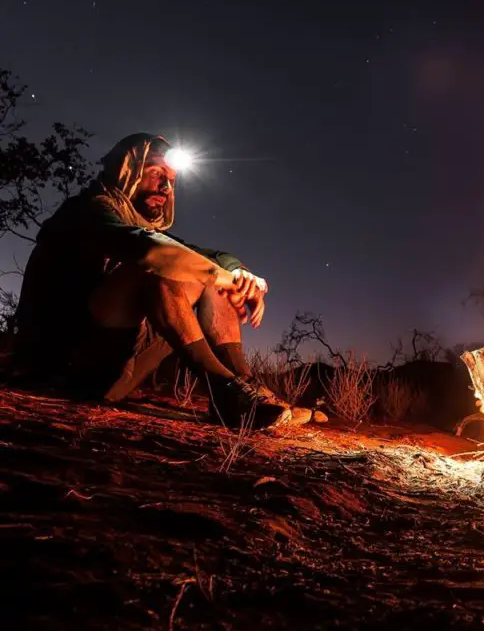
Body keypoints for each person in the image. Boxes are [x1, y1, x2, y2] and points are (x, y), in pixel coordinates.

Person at [12, 132, 291, 429]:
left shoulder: (142, 226)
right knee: (164, 267)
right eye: (156, 173)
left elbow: (211, 256)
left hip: (118, 373)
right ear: (127, 170)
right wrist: (224, 277)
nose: (166, 187)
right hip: (62, 369)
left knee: (204, 272)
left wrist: (243, 277)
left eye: (171, 180)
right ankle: (223, 388)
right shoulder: (89, 210)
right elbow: (152, 251)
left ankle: (246, 391)